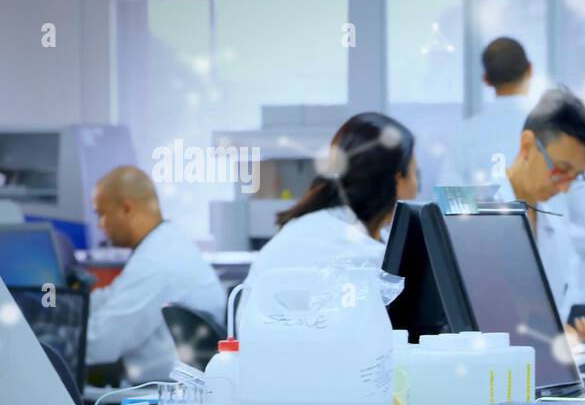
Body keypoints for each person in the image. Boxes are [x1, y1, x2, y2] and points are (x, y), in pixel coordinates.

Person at [86, 166, 226, 383]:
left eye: (102, 214)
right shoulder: (165, 244)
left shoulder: (155, 262)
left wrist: (52, 338)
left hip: (158, 393)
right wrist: (67, 306)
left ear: (125, 208)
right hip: (165, 385)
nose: (100, 224)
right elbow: (113, 298)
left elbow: (100, 344)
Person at [246, 112, 419, 282]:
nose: (417, 186)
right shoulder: (348, 250)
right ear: (397, 180)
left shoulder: (330, 227)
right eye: (414, 173)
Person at [495, 86, 585, 339]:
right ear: (527, 146)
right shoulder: (478, 221)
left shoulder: (554, 227)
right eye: (560, 169)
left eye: (575, 177)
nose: (565, 187)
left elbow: (556, 316)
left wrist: (576, 335)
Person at [440, 37, 534, 187]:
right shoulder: (558, 130)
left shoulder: (463, 134)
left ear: (486, 79)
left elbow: (450, 200)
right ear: (530, 69)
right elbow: (581, 200)